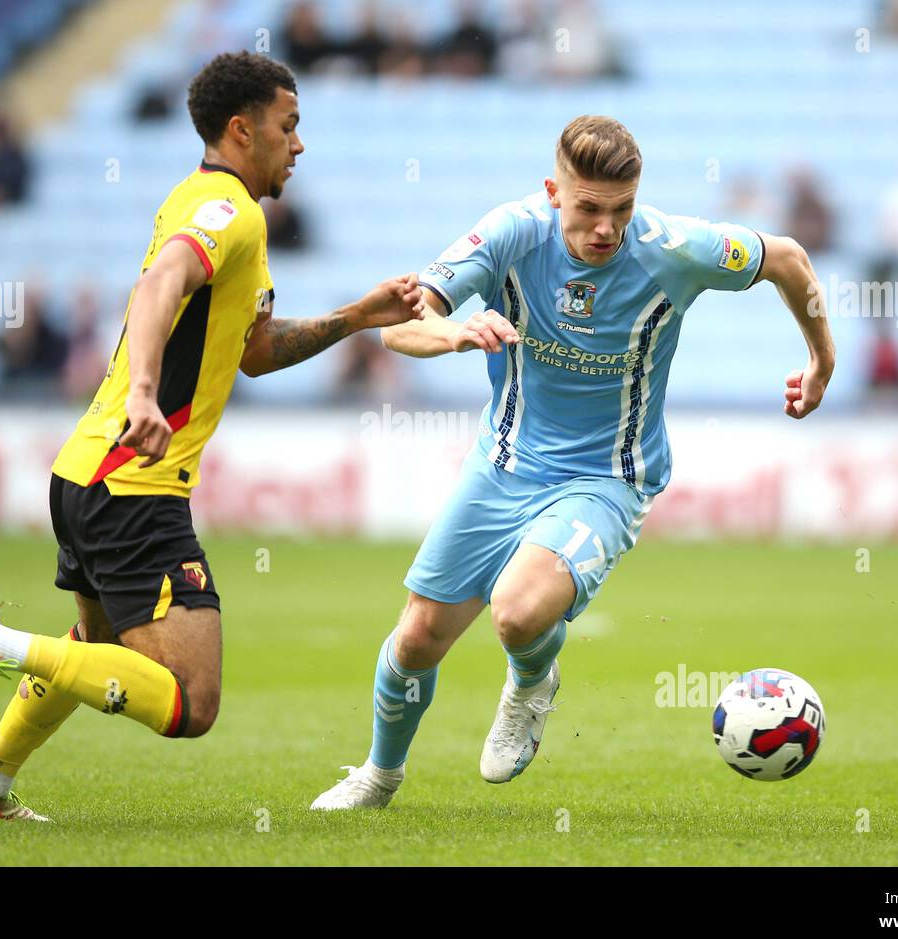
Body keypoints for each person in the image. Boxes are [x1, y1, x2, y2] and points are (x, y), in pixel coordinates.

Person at [0, 52, 423, 821]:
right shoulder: (229, 211)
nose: (299, 145)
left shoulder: (210, 205)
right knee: (193, 702)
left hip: (85, 473)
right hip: (135, 482)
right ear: (242, 128)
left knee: (92, 650)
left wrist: (356, 317)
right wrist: (150, 396)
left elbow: (255, 353)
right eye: (288, 127)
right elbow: (162, 281)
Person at [311, 115, 834, 810]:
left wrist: (822, 360)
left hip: (607, 478)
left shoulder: (673, 249)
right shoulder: (511, 233)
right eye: (588, 208)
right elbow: (403, 321)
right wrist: (457, 332)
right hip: (504, 464)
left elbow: (790, 258)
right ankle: (377, 779)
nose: (605, 228)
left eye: (621, 209)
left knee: (518, 612)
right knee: (415, 641)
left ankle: (532, 681)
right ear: (554, 191)